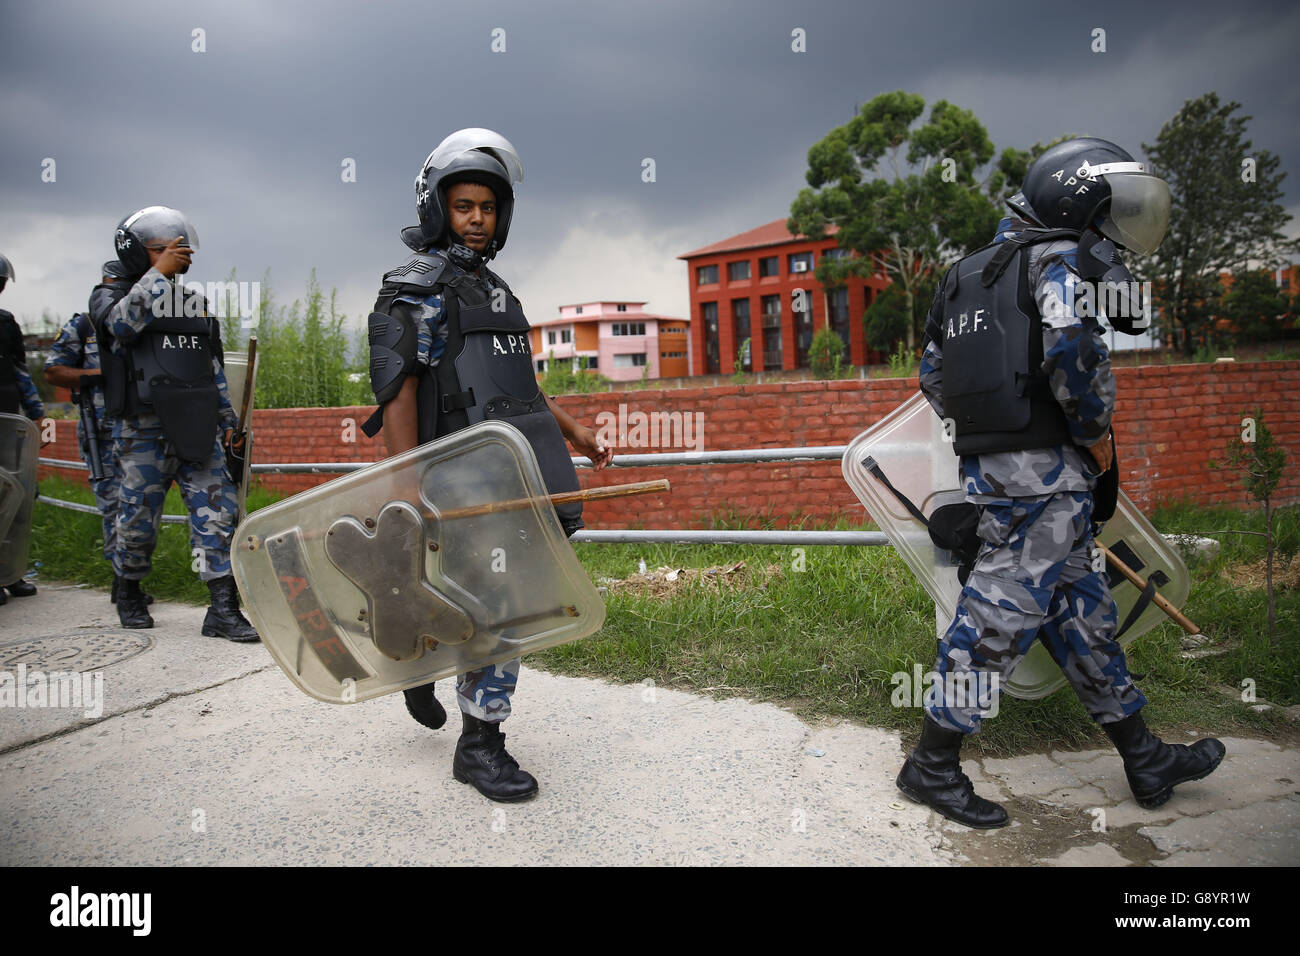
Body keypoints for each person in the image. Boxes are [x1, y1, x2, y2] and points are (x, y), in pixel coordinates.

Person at [901, 138, 1225, 828]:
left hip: (1006, 472)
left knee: (1082, 618)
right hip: (1047, 480)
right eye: (1108, 213)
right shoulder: (1058, 264)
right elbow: (1074, 361)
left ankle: (1144, 755)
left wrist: (994, 432)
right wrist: (1091, 431)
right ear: (1077, 204)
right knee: (998, 614)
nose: (1111, 230)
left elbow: (933, 373)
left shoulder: (969, 272)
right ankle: (930, 764)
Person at [363, 128, 612, 801]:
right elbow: (398, 392)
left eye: (489, 208)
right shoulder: (417, 289)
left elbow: (518, 388)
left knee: (489, 603)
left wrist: (576, 432)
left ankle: (417, 648)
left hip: (512, 475)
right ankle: (481, 746)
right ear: (436, 205)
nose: (478, 219)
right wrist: (405, 484)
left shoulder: (493, 290)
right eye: (465, 205)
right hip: (457, 477)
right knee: (504, 608)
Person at [89, 207, 257, 641]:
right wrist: (158, 275)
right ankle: (128, 589)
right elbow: (121, 326)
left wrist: (227, 421)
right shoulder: (108, 297)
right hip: (143, 430)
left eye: (178, 252)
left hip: (196, 425)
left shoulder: (193, 304)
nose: (177, 259)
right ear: (135, 253)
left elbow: (210, 367)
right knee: (138, 520)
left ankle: (222, 609)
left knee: (217, 514)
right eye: (162, 251)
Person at [45, 262, 156, 607]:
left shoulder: (143, 320)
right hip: (102, 431)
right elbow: (54, 370)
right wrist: (100, 374)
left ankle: (128, 579)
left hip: (139, 430)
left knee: (138, 505)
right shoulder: (85, 323)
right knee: (114, 506)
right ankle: (120, 580)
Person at [0, 251, 43, 604]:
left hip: (9, 424)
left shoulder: (5, 322)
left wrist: (37, 415)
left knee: (15, 493)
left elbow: (19, 370)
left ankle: (11, 571)